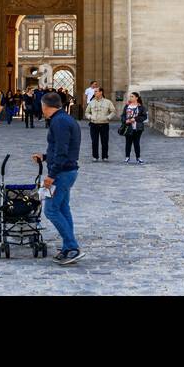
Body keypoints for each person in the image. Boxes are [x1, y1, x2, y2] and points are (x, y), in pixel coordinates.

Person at [34, 91, 82, 265]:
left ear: (45, 106)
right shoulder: (64, 119)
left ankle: (72, 246)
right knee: (63, 208)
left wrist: (51, 175)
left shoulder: (59, 122)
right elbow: (62, 149)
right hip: (68, 170)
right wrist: (45, 157)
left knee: (51, 210)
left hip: (62, 172)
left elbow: (62, 150)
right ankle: (68, 246)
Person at [84, 86, 115, 162]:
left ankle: (105, 156)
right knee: (94, 141)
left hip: (104, 124)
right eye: (94, 92)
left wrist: (108, 118)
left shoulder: (108, 102)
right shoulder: (91, 102)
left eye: (96, 91)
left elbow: (113, 111)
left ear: (101, 92)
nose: (95, 93)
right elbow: (86, 112)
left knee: (104, 141)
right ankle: (95, 156)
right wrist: (90, 117)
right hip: (94, 124)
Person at [120, 91, 148, 164]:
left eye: (132, 96)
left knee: (136, 143)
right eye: (130, 96)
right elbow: (122, 115)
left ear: (137, 98)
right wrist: (125, 121)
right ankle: (127, 157)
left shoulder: (141, 107)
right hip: (128, 127)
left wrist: (135, 119)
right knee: (128, 143)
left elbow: (144, 117)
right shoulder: (127, 106)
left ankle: (138, 158)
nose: (130, 98)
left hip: (137, 128)